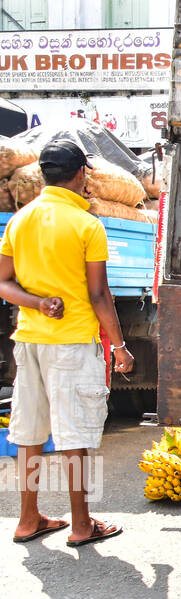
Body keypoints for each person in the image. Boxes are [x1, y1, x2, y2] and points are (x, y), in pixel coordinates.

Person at [0, 140, 134, 546]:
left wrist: (37, 302)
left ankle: (28, 519)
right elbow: (99, 296)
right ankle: (80, 525)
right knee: (75, 436)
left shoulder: (20, 220)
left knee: (29, 433)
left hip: (30, 342)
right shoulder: (87, 225)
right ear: (79, 174)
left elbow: (4, 283)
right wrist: (119, 345)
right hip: (73, 343)